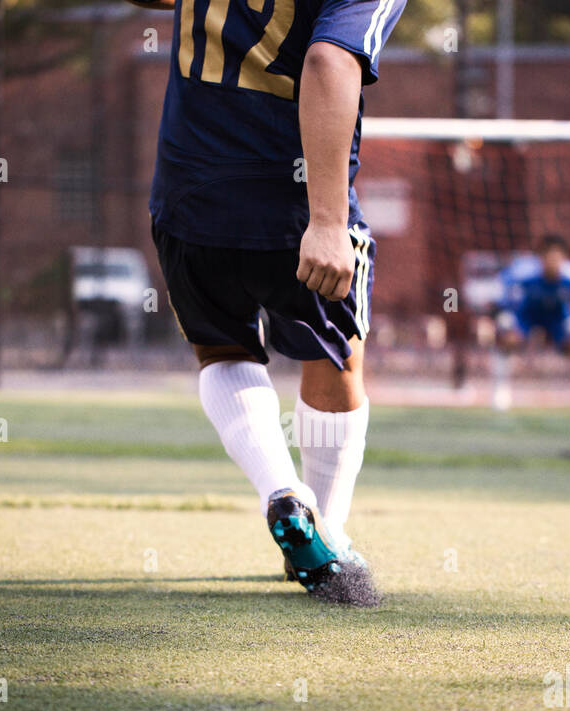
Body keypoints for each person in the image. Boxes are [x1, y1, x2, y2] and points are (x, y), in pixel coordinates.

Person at [140, 0, 405, 606]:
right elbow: (328, 58)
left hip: (188, 193)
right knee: (336, 355)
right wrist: (328, 221)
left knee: (222, 347)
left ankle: (282, 493)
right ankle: (329, 535)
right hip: (289, 200)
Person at [491, 235, 570, 417]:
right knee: (505, 328)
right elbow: (500, 285)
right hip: (527, 314)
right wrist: (503, 308)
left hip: (558, 316)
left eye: (557, 258)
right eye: (548, 257)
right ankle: (501, 392)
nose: (552, 262)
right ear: (540, 258)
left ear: (565, 259)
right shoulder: (525, 271)